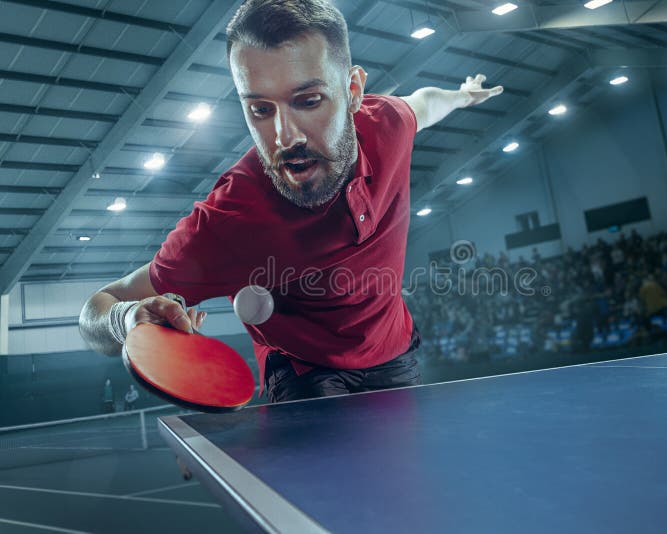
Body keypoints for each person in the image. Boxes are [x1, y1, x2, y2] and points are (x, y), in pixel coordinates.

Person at [78, 0, 503, 403]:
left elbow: (425, 102)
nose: (286, 138)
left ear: (353, 90)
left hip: (395, 354)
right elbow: (98, 308)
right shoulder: (230, 219)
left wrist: (464, 95)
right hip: (306, 373)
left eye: (309, 101)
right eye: (260, 109)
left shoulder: (387, 125)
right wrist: (127, 319)